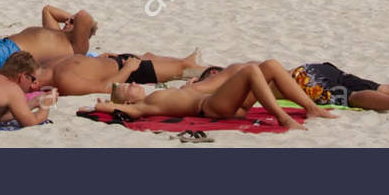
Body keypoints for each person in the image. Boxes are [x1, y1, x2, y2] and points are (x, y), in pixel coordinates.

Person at [96, 60, 326, 131]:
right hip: (211, 107)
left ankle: (311, 108)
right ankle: (282, 117)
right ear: (126, 100)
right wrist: (102, 107)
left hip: (225, 104)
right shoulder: (144, 105)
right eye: (127, 86)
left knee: (271, 66)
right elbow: (125, 111)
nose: (133, 82)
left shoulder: (156, 94)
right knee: (250, 70)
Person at [0, 4, 98, 79]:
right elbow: (48, 9)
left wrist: (81, 23)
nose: (68, 21)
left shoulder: (76, 48)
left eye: (72, 22)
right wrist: (71, 19)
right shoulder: (56, 32)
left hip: (11, 52)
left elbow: (84, 16)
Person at [37, 49, 203, 96]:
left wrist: (97, 59)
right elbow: (106, 87)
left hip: (118, 61)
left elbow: (80, 62)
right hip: (130, 72)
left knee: (149, 55)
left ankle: (192, 63)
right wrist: (128, 69)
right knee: (184, 68)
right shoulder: (64, 79)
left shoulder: (48, 64)